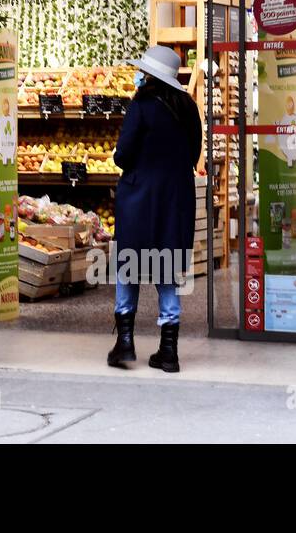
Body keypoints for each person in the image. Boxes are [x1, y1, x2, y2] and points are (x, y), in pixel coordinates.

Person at [107, 45, 203, 374]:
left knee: (128, 265)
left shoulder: (142, 105)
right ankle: (169, 351)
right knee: (167, 269)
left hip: (139, 198)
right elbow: (194, 153)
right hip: (175, 199)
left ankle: (125, 343)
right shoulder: (188, 107)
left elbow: (123, 155)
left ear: (149, 75)